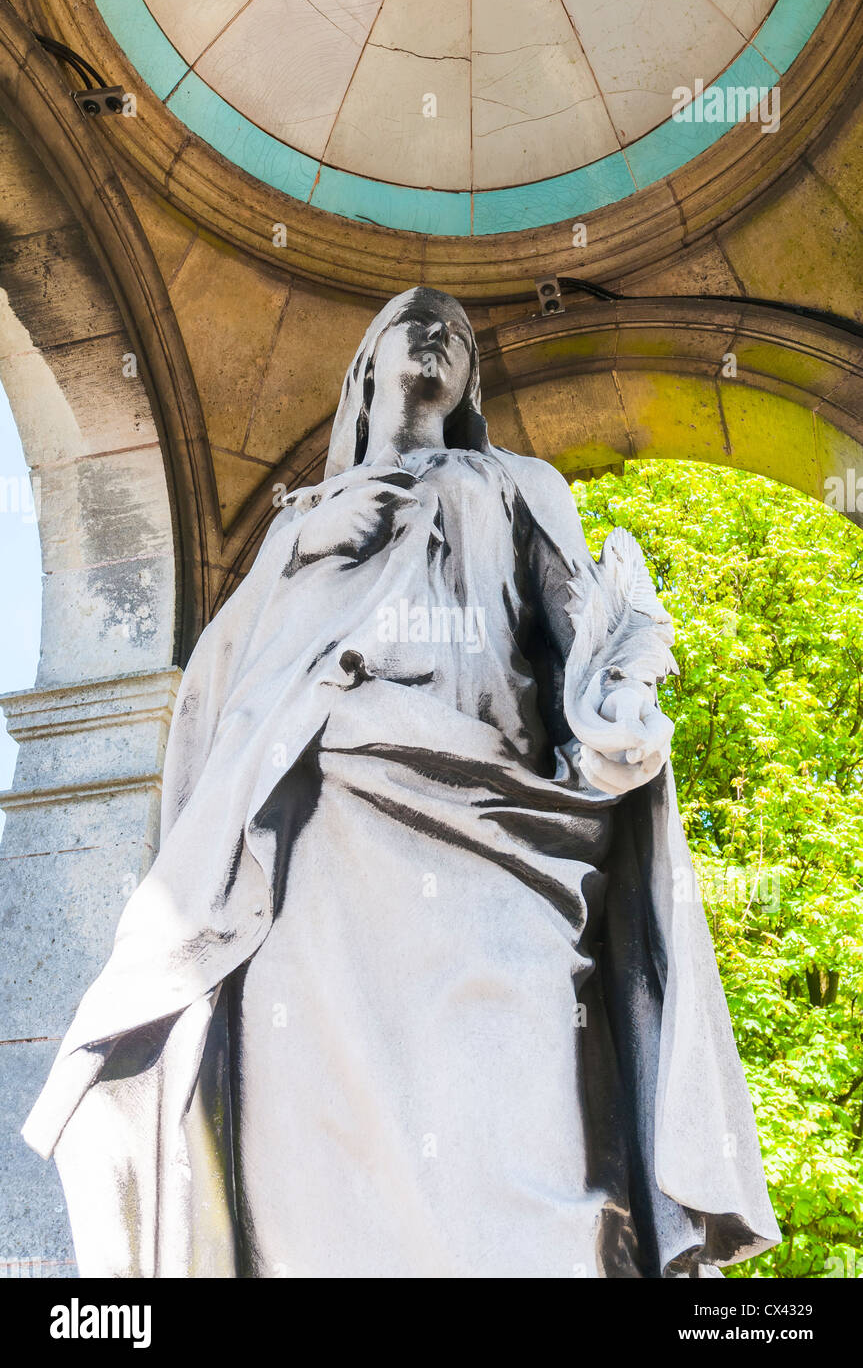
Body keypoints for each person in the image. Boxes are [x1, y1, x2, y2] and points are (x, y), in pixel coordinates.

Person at [23, 287, 780, 1278]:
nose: (435, 335)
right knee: (309, 1147)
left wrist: (621, 709)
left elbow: (585, 633)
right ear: (364, 367)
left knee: (527, 1124)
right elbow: (221, 700)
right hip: (327, 841)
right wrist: (317, 562)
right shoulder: (299, 524)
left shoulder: (514, 481)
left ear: (467, 381)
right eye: (408, 324)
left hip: (503, 841)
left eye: (456, 335)